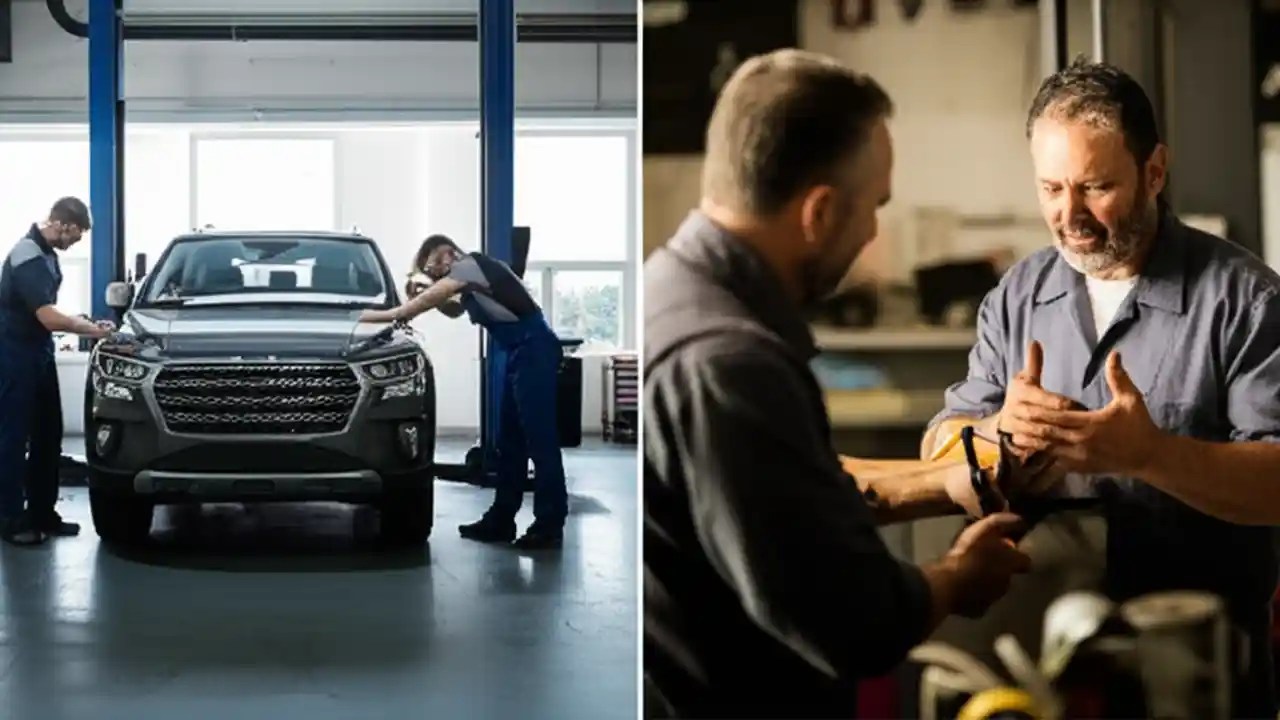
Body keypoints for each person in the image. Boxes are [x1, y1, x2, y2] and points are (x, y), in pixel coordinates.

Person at [643, 49, 1041, 719]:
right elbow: (852, 620)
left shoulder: (670, 293)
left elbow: (792, 491)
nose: (873, 231)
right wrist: (956, 580)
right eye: (874, 207)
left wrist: (945, 481)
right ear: (820, 212)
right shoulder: (729, 363)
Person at [923, 56, 1280, 717]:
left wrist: (1149, 454)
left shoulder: (1245, 301)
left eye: (1094, 187)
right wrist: (993, 434)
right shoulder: (1016, 299)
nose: (1070, 215)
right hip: (1045, 665)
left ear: (1154, 171)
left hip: (1197, 665)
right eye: (1051, 189)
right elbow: (940, 446)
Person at [360, 235, 567, 550]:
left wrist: (368, 317)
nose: (443, 263)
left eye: (441, 255)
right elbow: (453, 309)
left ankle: (549, 525)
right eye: (435, 266)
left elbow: (415, 308)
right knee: (510, 442)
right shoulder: (468, 282)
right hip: (517, 352)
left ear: (452, 249)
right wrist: (424, 291)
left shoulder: (473, 263)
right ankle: (501, 520)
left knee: (540, 441)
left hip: (534, 348)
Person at [0, 197, 115, 546]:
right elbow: (47, 317)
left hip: (39, 352)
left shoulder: (47, 254)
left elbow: (48, 309)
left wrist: (85, 320)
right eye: (76, 235)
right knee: (13, 437)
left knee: (49, 434)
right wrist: (89, 330)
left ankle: (42, 513)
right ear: (63, 225)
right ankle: (9, 518)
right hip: (14, 355)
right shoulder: (27, 254)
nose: (75, 243)